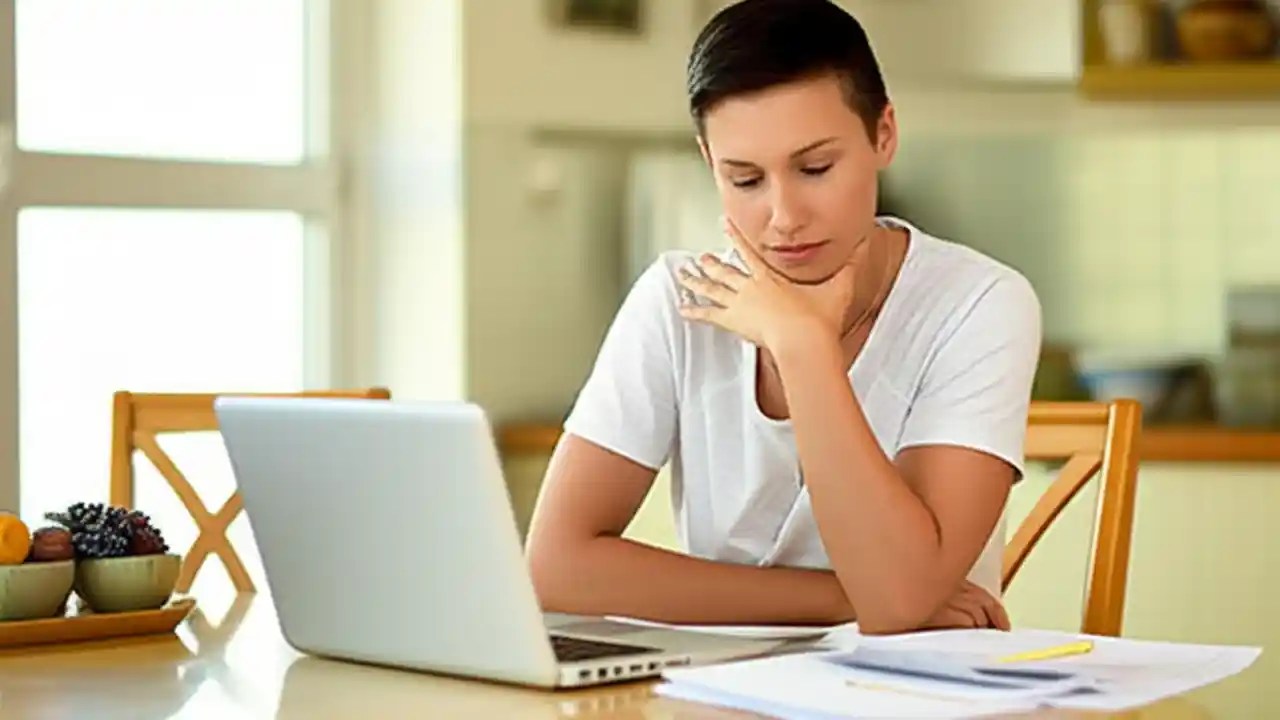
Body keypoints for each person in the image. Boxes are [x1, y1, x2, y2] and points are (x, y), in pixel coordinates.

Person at [525, 0, 1041, 635]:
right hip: (719, 688)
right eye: (745, 180)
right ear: (709, 163)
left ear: (883, 134)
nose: (784, 216)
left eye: (816, 168)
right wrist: (833, 599)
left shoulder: (980, 303)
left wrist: (802, 345)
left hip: (918, 689)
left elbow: (897, 603)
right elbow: (555, 567)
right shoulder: (675, 300)